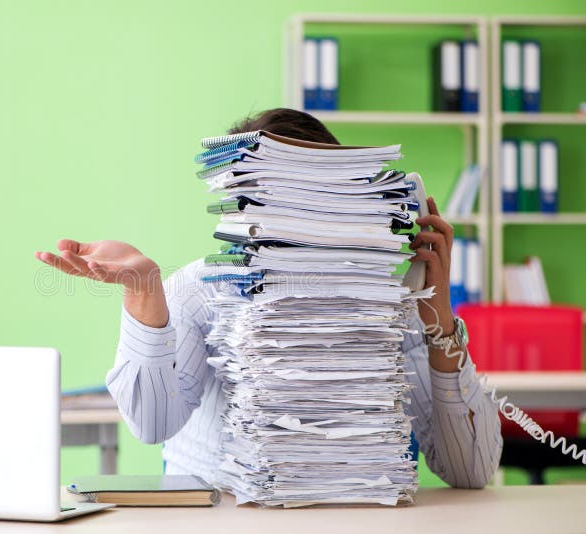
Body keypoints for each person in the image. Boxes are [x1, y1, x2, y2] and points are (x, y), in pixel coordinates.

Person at [35, 108, 502, 489]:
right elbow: (152, 423)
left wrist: (437, 319)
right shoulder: (199, 289)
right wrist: (144, 293)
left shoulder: (387, 300)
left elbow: (472, 471)